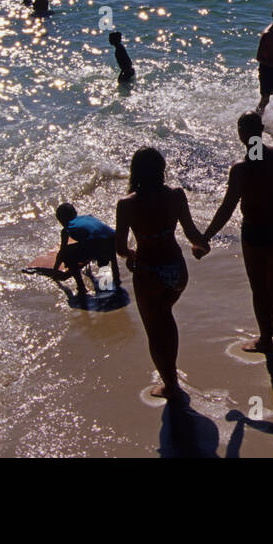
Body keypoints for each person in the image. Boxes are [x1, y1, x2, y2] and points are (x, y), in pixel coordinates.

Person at [115, 148, 208, 401]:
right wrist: (202, 245)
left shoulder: (127, 204)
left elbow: (120, 247)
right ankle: (171, 376)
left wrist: (131, 255)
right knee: (166, 318)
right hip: (176, 269)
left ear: (135, 172)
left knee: (156, 331)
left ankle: (170, 384)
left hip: (149, 272)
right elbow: (191, 232)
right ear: (161, 169)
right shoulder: (176, 195)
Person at [202, 113, 273, 355]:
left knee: (258, 284)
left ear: (240, 133)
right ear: (262, 128)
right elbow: (268, 178)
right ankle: (270, 322)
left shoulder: (241, 169)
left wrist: (205, 237)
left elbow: (227, 209)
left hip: (255, 228)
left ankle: (265, 337)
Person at [52, 203, 122, 298]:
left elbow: (62, 252)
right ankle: (116, 280)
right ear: (75, 213)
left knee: (67, 254)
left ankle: (81, 288)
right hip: (115, 238)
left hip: (97, 244)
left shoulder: (67, 228)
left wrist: (55, 270)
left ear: (62, 220)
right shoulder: (88, 217)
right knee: (105, 249)